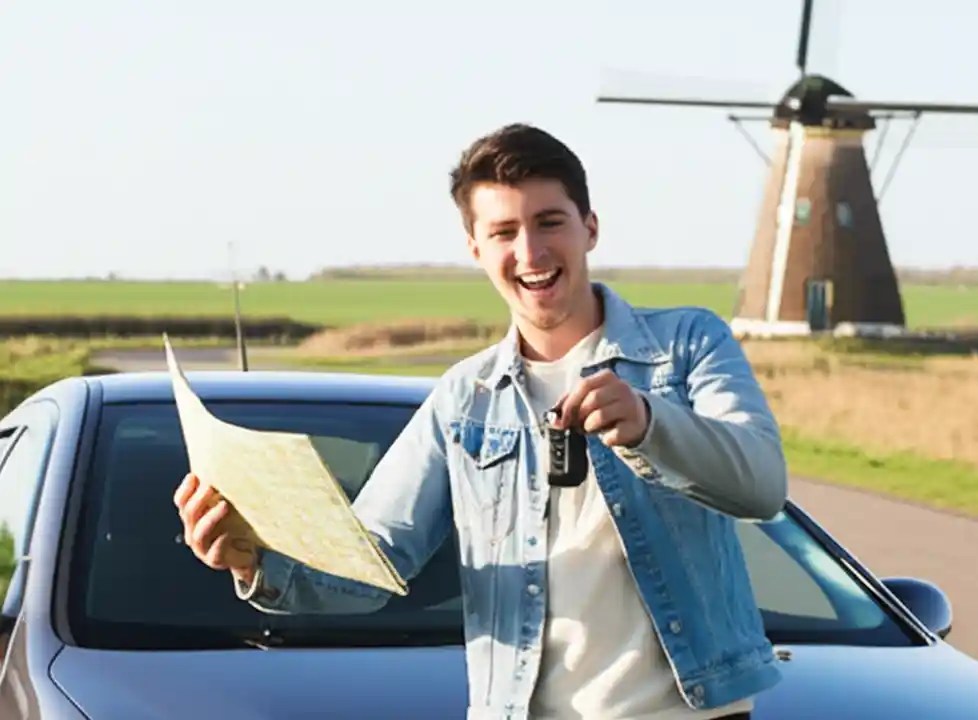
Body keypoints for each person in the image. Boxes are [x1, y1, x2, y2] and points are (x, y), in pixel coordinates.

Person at [174, 123, 788, 719]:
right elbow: (375, 561)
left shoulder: (687, 344)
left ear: (590, 228)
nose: (532, 252)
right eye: (504, 232)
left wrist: (653, 423)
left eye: (551, 222)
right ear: (475, 249)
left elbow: (761, 485)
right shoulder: (463, 398)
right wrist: (253, 560)